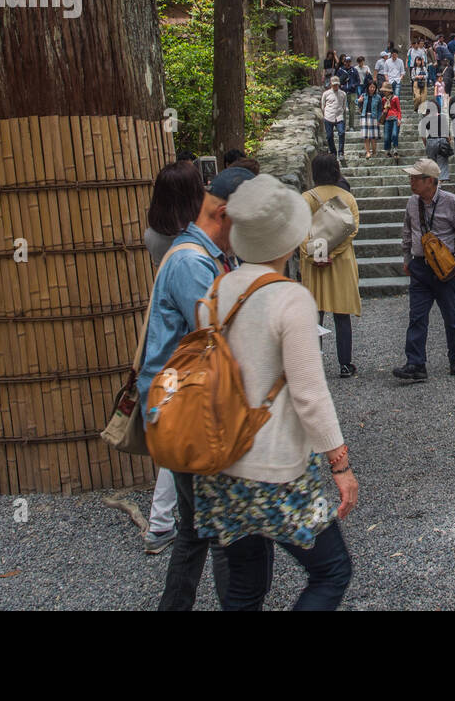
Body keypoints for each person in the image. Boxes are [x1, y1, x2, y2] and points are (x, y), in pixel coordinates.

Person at [192, 173, 356, 610]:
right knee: (332, 569)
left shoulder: (217, 289)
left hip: (222, 464)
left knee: (244, 585)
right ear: (288, 240)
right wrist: (339, 462)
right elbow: (309, 393)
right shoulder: (290, 299)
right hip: (275, 467)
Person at [141, 165, 256, 608]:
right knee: (227, 528)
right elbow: (222, 337)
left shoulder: (200, 254)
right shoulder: (192, 262)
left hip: (179, 407)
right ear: (224, 214)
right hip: (188, 412)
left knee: (193, 530)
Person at [139, 161, 207, 552]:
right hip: (184, 354)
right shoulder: (188, 248)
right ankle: (167, 523)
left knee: (171, 441)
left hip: (162, 342)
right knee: (179, 442)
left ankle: (163, 523)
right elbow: (200, 311)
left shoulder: (153, 234)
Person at [394, 158, 455, 382]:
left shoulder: (451, 202)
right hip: (420, 266)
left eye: (415, 178)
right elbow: (407, 230)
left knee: (451, 315)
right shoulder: (413, 202)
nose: (411, 181)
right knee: (416, 316)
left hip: (445, 268)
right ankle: (416, 364)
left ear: (430, 181)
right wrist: (407, 257)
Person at [300, 154, 362, 380]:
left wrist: (315, 255)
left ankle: (312, 364)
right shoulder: (347, 197)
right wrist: (332, 253)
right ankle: (345, 364)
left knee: (314, 314)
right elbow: (351, 231)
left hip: (314, 265)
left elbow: (299, 231)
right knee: (341, 315)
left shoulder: (306, 198)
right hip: (341, 263)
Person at [321, 76, 348, 166]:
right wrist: (326, 113)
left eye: (337, 84)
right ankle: (333, 152)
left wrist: (341, 112)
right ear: (331, 85)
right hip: (328, 116)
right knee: (329, 136)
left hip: (339, 116)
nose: (335, 86)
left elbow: (344, 106)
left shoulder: (343, 94)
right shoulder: (326, 94)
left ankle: (341, 152)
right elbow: (323, 105)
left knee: (341, 133)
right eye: (334, 85)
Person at [358, 79, 383, 159]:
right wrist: (359, 100)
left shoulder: (378, 97)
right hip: (364, 116)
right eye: (370, 87)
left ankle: (374, 151)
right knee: (366, 136)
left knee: (373, 136)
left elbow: (380, 109)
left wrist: (379, 119)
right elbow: (357, 102)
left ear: (376, 88)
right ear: (368, 87)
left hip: (374, 117)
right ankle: (368, 152)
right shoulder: (364, 95)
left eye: (374, 87)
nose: (372, 89)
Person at [382, 84, 403, 160]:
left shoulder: (395, 98)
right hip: (387, 119)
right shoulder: (383, 99)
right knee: (387, 136)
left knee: (394, 134)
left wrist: (399, 119)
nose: (384, 92)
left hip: (395, 118)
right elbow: (382, 109)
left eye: (385, 90)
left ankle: (395, 149)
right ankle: (387, 151)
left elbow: (399, 110)